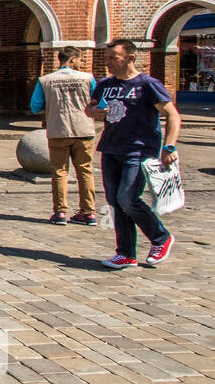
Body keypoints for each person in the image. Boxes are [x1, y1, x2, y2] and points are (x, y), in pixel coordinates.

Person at [86, 39, 182, 270]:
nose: (108, 63)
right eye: (106, 57)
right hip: (110, 148)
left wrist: (169, 146)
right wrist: (95, 111)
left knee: (128, 198)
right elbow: (90, 108)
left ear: (129, 58)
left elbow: (172, 115)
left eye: (113, 58)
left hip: (139, 150)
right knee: (115, 202)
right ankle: (126, 253)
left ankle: (161, 237)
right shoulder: (106, 84)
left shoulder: (147, 84)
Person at [30, 46, 97, 226]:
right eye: (80, 60)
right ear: (72, 59)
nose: (80, 63)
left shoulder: (45, 80)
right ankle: (88, 212)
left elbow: (35, 106)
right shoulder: (88, 78)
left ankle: (60, 212)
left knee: (60, 172)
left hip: (58, 129)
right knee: (85, 170)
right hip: (83, 129)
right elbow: (100, 103)